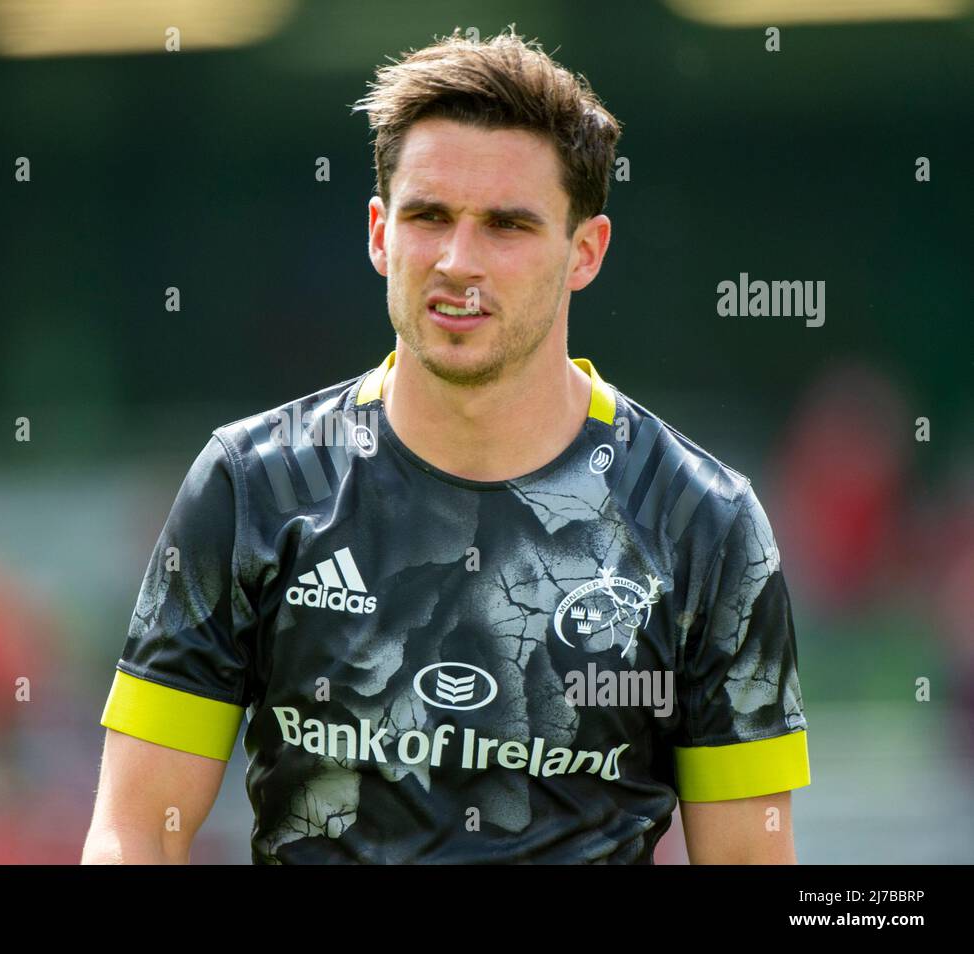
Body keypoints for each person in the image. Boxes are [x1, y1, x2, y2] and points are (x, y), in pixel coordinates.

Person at [82, 26, 809, 864]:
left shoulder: (702, 522)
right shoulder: (253, 489)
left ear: (586, 252)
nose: (459, 260)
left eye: (507, 225)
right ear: (380, 232)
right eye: (429, 216)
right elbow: (134, 831)